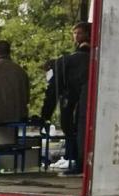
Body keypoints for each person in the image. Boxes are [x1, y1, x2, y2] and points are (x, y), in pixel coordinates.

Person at [41, 22, 92, 176]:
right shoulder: (89, 57)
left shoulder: (66, 61)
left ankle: (78, 161)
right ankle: (78, 160)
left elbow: (53, 90)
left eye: (79, 33)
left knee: (74, 126)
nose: (75, 36)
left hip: (77, 98)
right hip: (83, 97)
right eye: (74, 33)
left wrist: (45, 114)